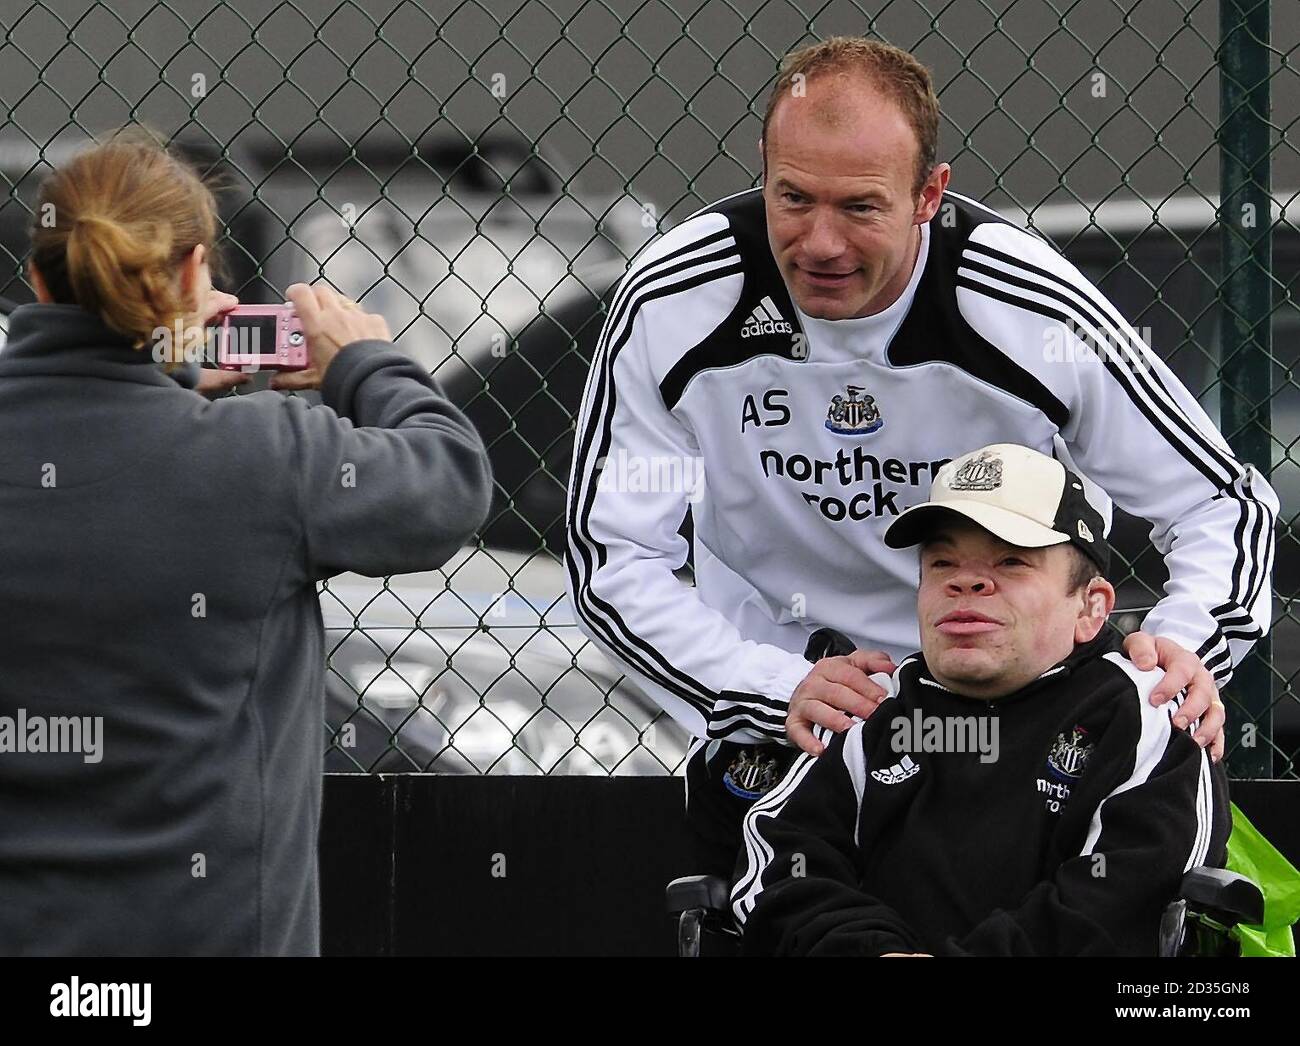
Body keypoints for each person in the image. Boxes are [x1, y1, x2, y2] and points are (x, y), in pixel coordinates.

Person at [563, 36, 1276, 876]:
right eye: (792, 198)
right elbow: (612, 558)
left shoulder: (1024, 303)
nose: (820, 242)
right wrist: (763, 684)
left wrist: (1183, 649)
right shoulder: (674, 296)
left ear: (928, 195)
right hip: (786, 720)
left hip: (1008, 719)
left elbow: (1221, 502)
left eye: (860, 208)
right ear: (763, 173)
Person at [0, 130, 494, 955]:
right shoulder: (264, 461)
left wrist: (170, 380)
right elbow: (450, 481)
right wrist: (363, 363)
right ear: (195, 273)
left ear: (37, 278)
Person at [731, 444, 1231, 956]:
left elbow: (1132, 898)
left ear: (1090, 607)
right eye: (942, 561)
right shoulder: (872, 711)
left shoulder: (1149, 708)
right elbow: (786, 870)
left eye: (1012, 561)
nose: (965, 581)